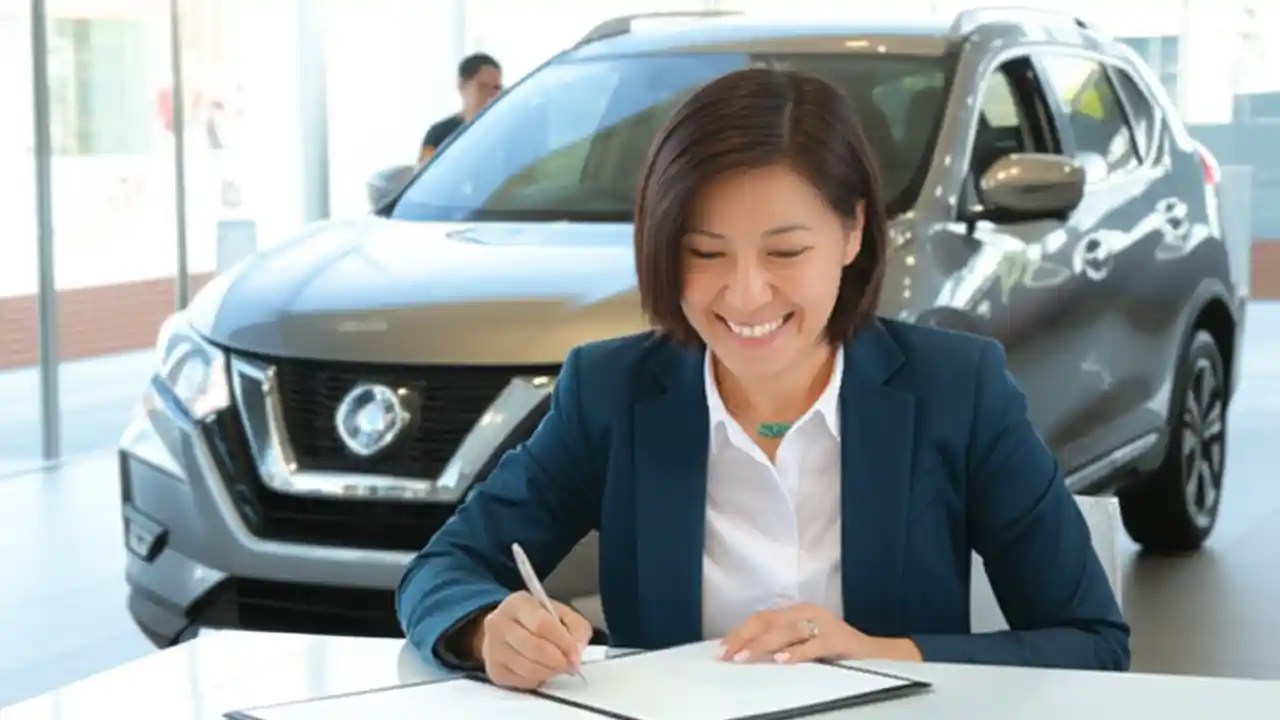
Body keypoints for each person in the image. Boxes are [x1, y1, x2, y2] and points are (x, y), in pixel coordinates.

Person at [395, 68, 1130, 690]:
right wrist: (487, 628)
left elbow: (1091, 641)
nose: (745, 295)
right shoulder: (613, 391)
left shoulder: (955, 390)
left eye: (785, 253)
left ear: (851, 234)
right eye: (706, 254)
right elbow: (443, 570)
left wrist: (882, 656)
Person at [419, 53, 502, 163]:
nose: (491, 95)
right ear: (462, 86)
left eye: (496, 88)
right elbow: (424, 173)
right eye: (483, 87)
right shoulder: (437, 135)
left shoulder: (505, 131)